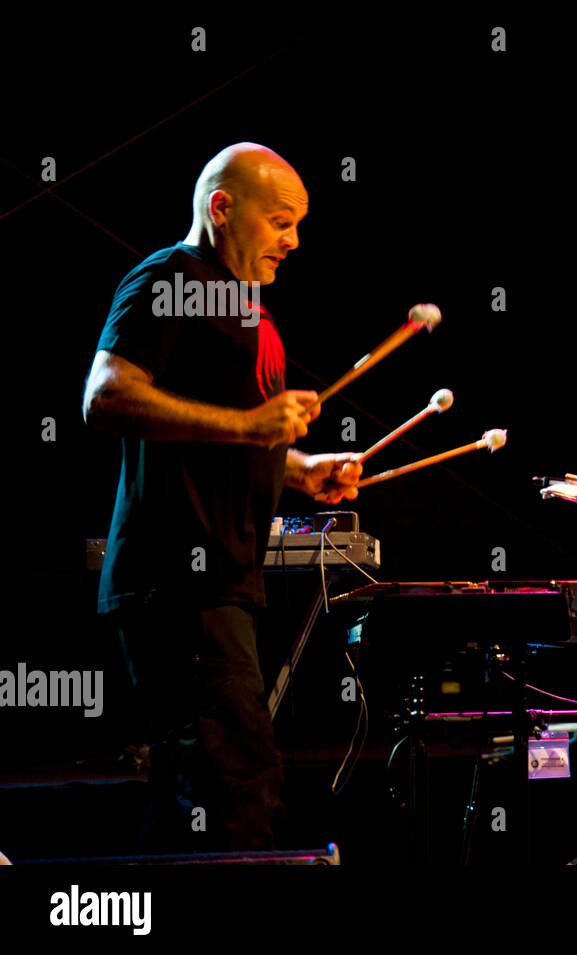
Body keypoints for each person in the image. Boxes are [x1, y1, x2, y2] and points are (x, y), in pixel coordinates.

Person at [82, 143, 362, 852]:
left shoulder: (244, 307)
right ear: (222, 208)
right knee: (237, 792)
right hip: (176, 582)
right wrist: (247, 425)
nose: (294, 241)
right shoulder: (169, 277)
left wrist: (298, 469)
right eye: (279, 222)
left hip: (220, 585)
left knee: (195, 803)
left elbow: (230, 433)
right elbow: (105, 395)